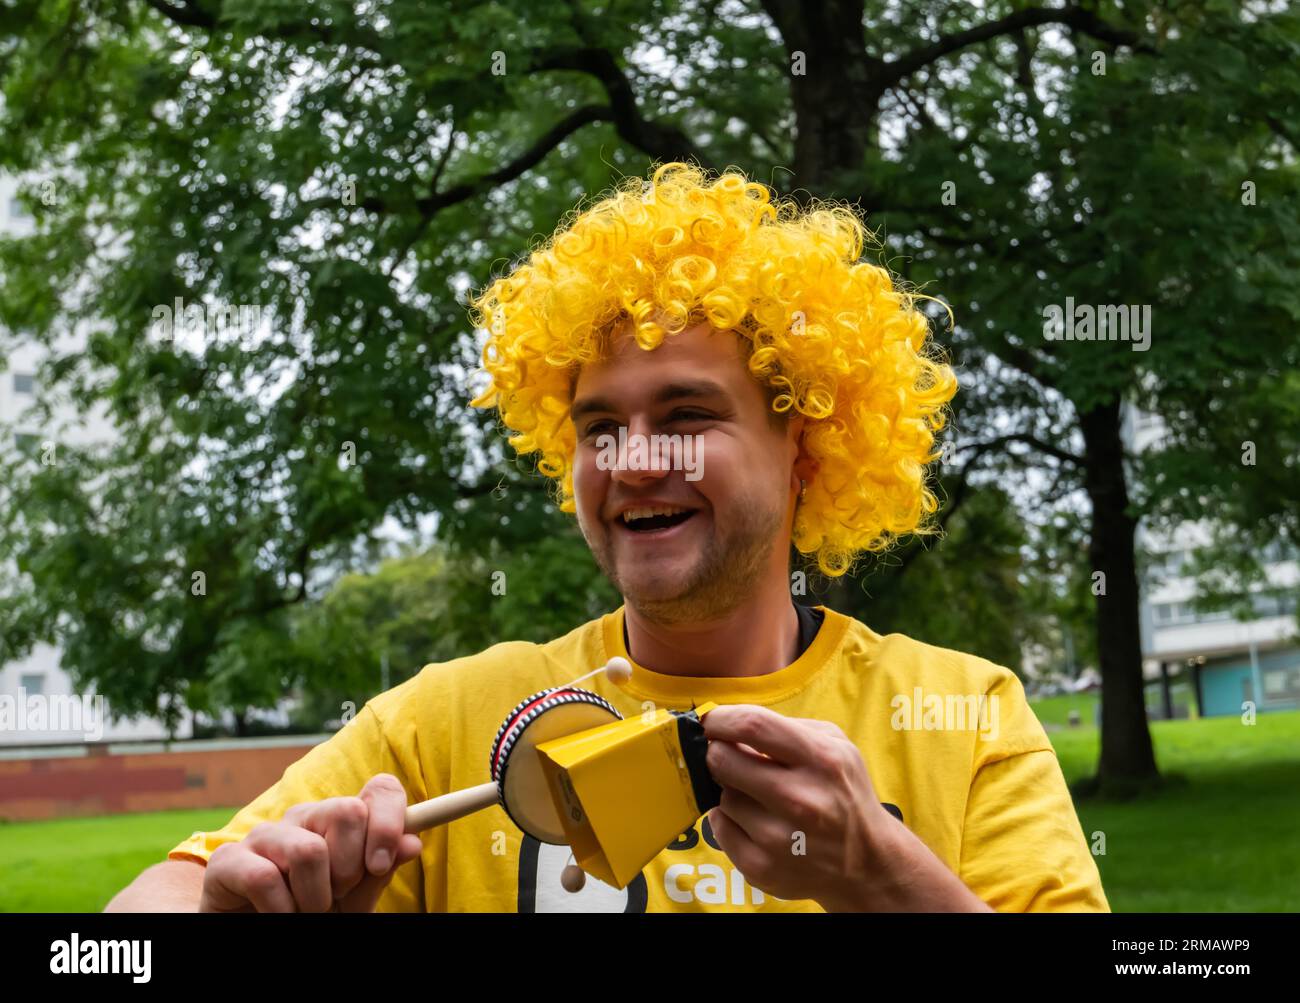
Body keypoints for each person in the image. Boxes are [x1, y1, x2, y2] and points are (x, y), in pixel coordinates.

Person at [106, 162, 1108, 913]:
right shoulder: (446, 721)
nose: (632, 462)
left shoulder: (965, 716)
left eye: (685, 416)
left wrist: (884, 881)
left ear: (806, 446)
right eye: (598, 429)